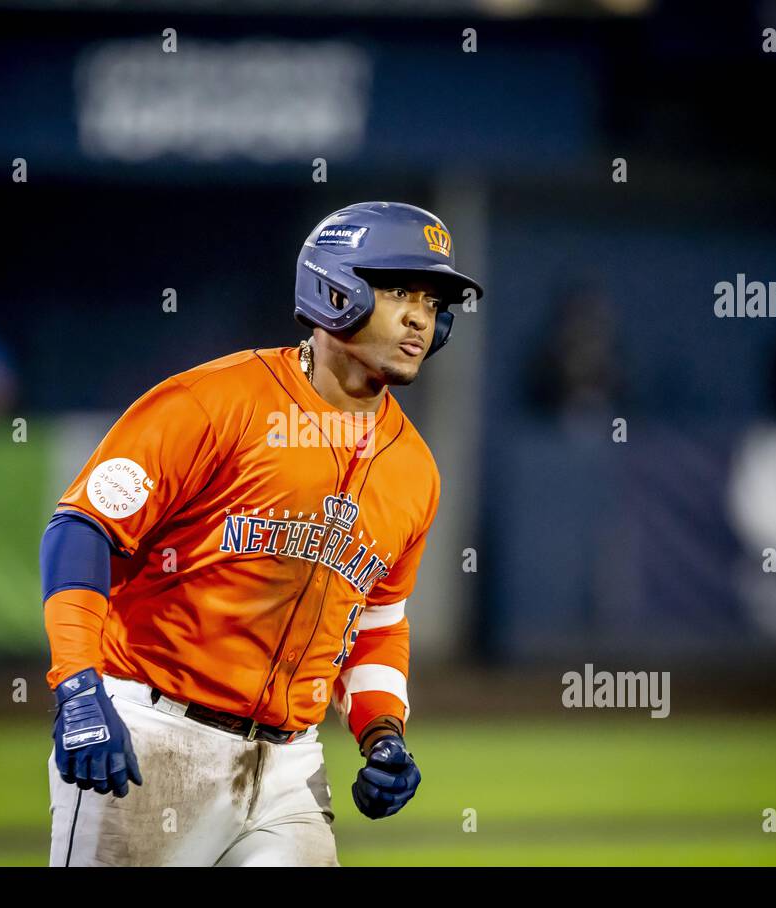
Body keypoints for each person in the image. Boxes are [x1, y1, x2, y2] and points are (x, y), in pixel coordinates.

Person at [41, 201, 483, 865]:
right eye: (398, 290)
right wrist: (77, 688)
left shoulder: (415, 469)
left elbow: (378, 624)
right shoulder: (212, 402)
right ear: (337, 288)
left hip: (288, 764)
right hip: (152, 734)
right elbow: (80, 531)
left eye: (433, 300)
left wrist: (382, 730)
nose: (422, 316)